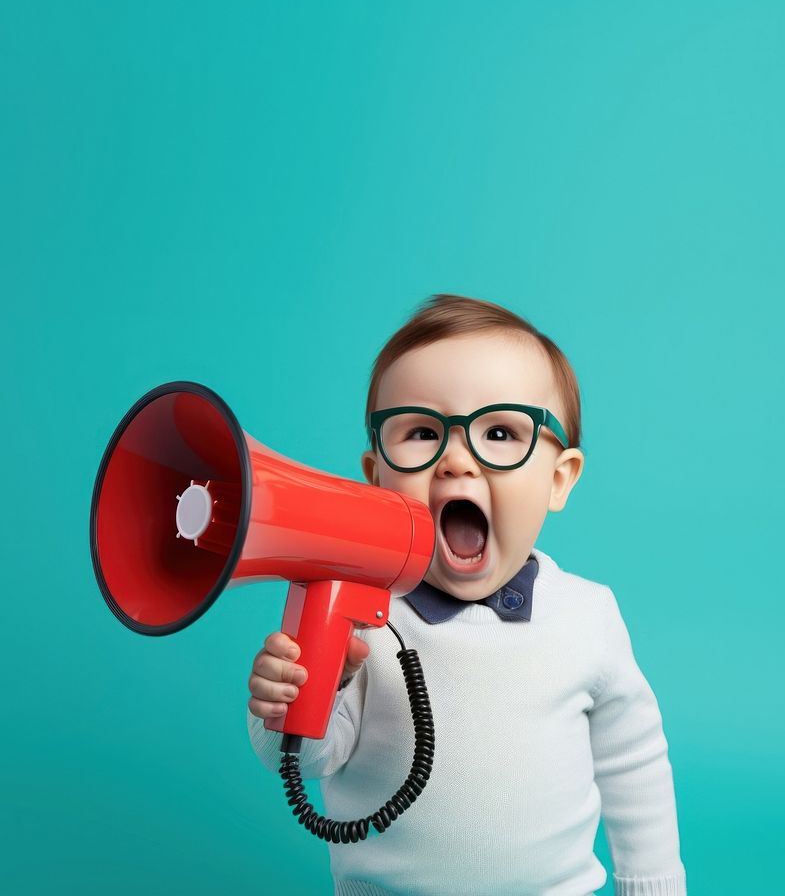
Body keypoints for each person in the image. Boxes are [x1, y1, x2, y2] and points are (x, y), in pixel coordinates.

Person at [247, 294, 687, 896]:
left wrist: (655, 887)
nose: (456, 461)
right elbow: (306, 763)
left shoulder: (588, 615)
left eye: (501, 432)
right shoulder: (362, 621)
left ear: (558, 479)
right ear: (376, 478)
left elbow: (633, 765)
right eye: (423, 432)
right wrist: (292, 701)